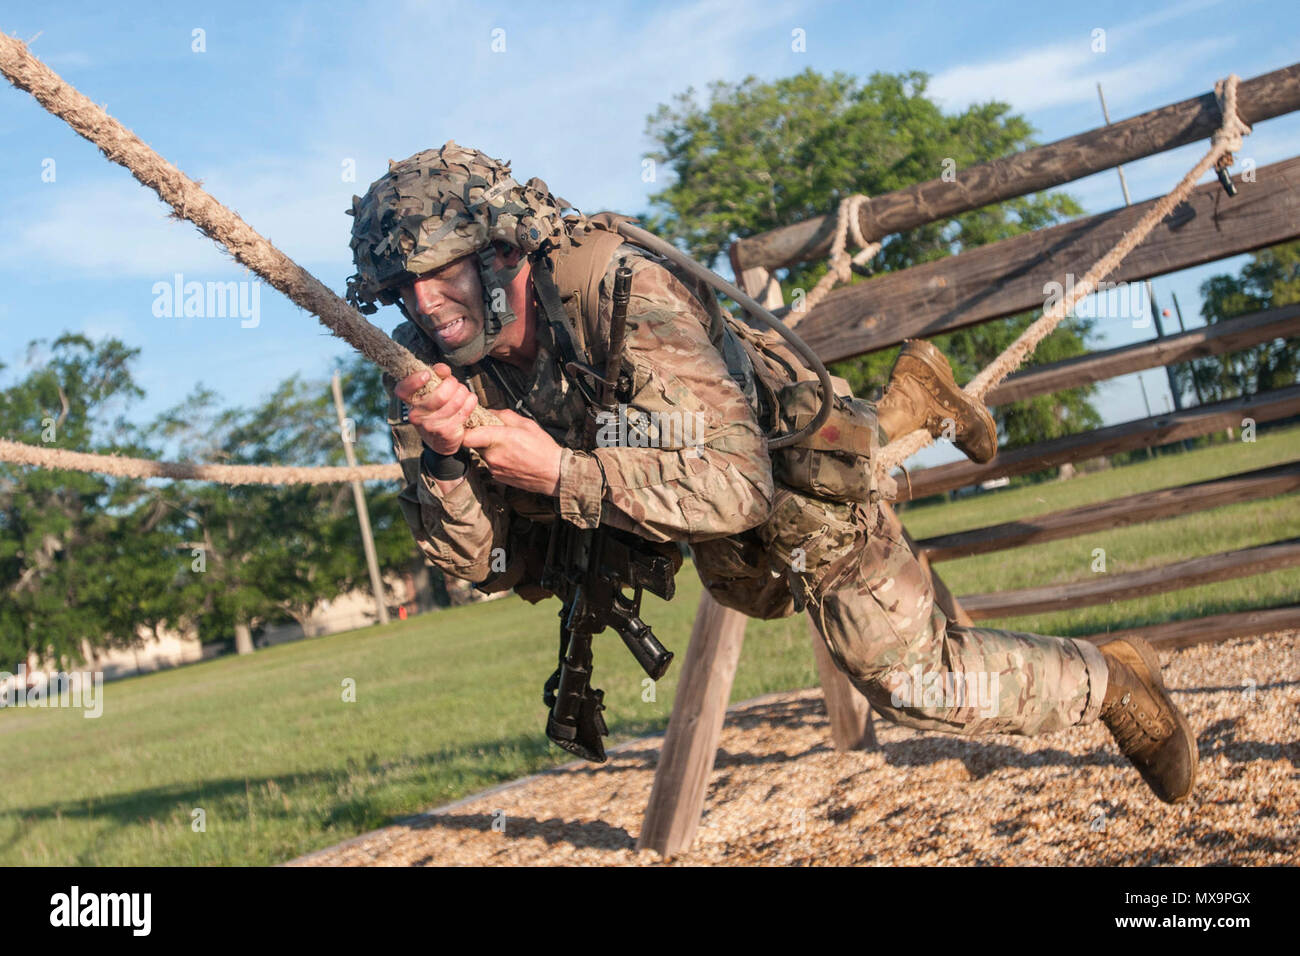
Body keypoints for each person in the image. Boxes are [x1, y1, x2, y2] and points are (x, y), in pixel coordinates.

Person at [346, 142, 1197, 804]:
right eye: (401, 289)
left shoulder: (619, 289)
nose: (424, 306)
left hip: (778, 475)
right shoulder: (427, 371)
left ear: (500, 252)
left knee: (911, 679)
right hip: (688, 509)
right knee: (753, 590)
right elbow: (477, 567)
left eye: (441, 271)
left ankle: (1116, 681)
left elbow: (737, 481)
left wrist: (565, 472)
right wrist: (450, 457)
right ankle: (912, 398)